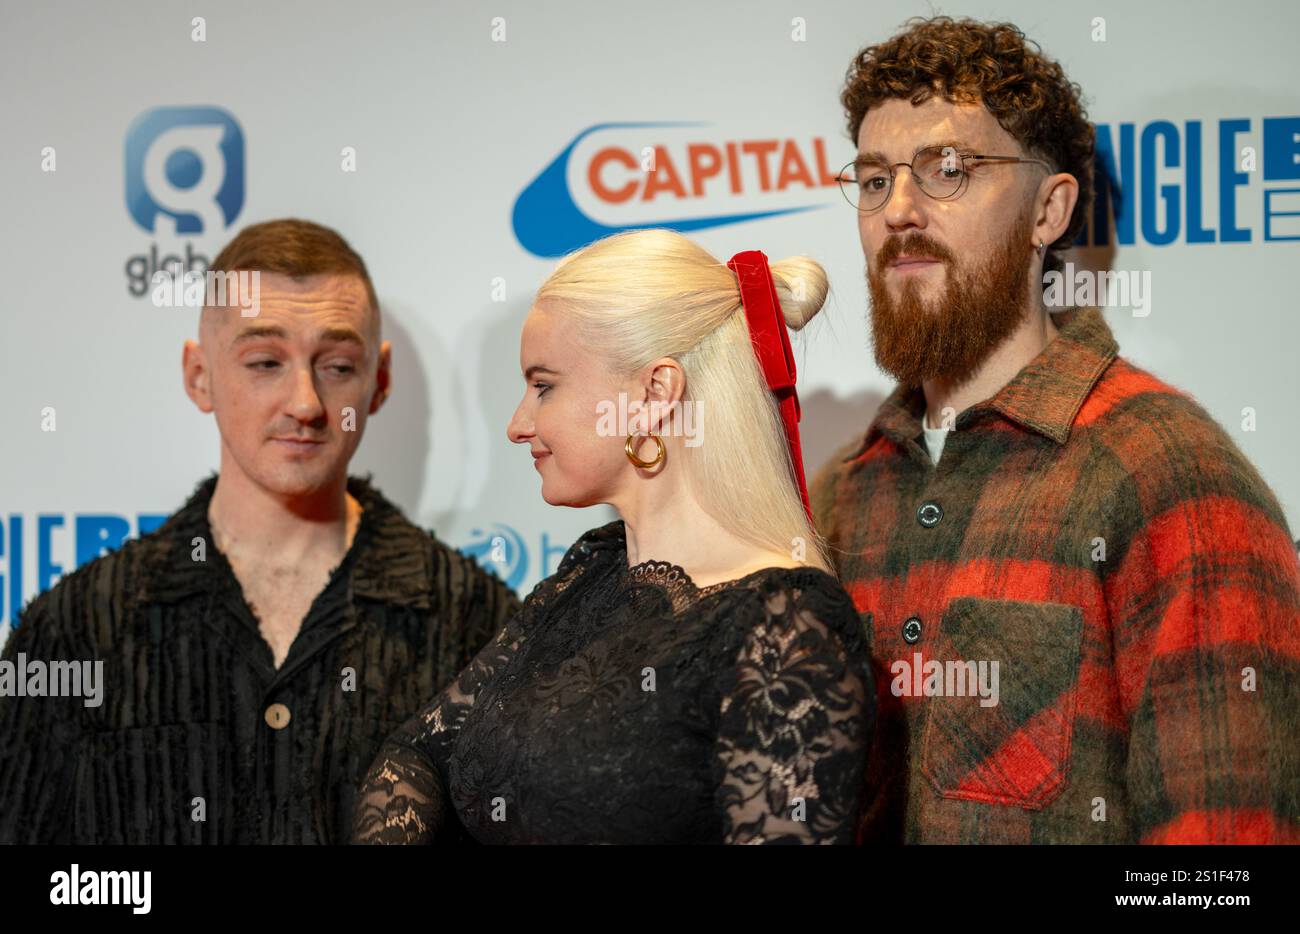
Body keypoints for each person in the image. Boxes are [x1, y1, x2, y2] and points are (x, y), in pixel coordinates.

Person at [812, 16, 1300, 843]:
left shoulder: (1169, 471)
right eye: (873, 179)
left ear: (1050, 210)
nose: (899, 210)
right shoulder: (837, 494)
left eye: (948, 170)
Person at [0, 218, 520, 844]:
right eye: (265, 361)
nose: (304, 402)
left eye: (335, 365)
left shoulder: (478, 625)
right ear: (199, 376)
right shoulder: (79, 629)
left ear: (379, 381)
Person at [352, 229, 874, 844]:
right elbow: (415, 755)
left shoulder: (787, 628)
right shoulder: (592, 573)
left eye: (544, 386)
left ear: (654, 393)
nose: (519, 424)